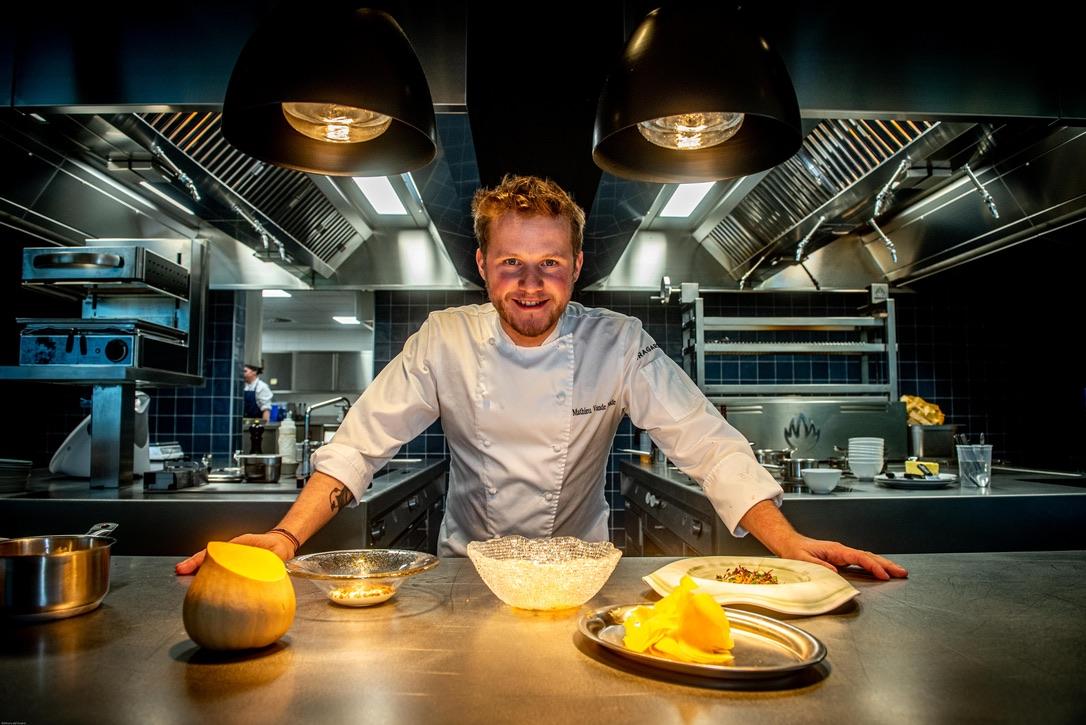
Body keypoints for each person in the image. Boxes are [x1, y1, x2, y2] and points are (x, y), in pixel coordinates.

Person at [179, 176, 907, 580]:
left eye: (550, 262)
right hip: (468, 572)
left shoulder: (618, 343)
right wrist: (283, 535)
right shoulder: (445, 340)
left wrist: (787, 543)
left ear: (577, 266)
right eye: (511, 263)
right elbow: (359, 444)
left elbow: (707, 442)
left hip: (581, 572)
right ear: (483, 266)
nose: (531, 284)